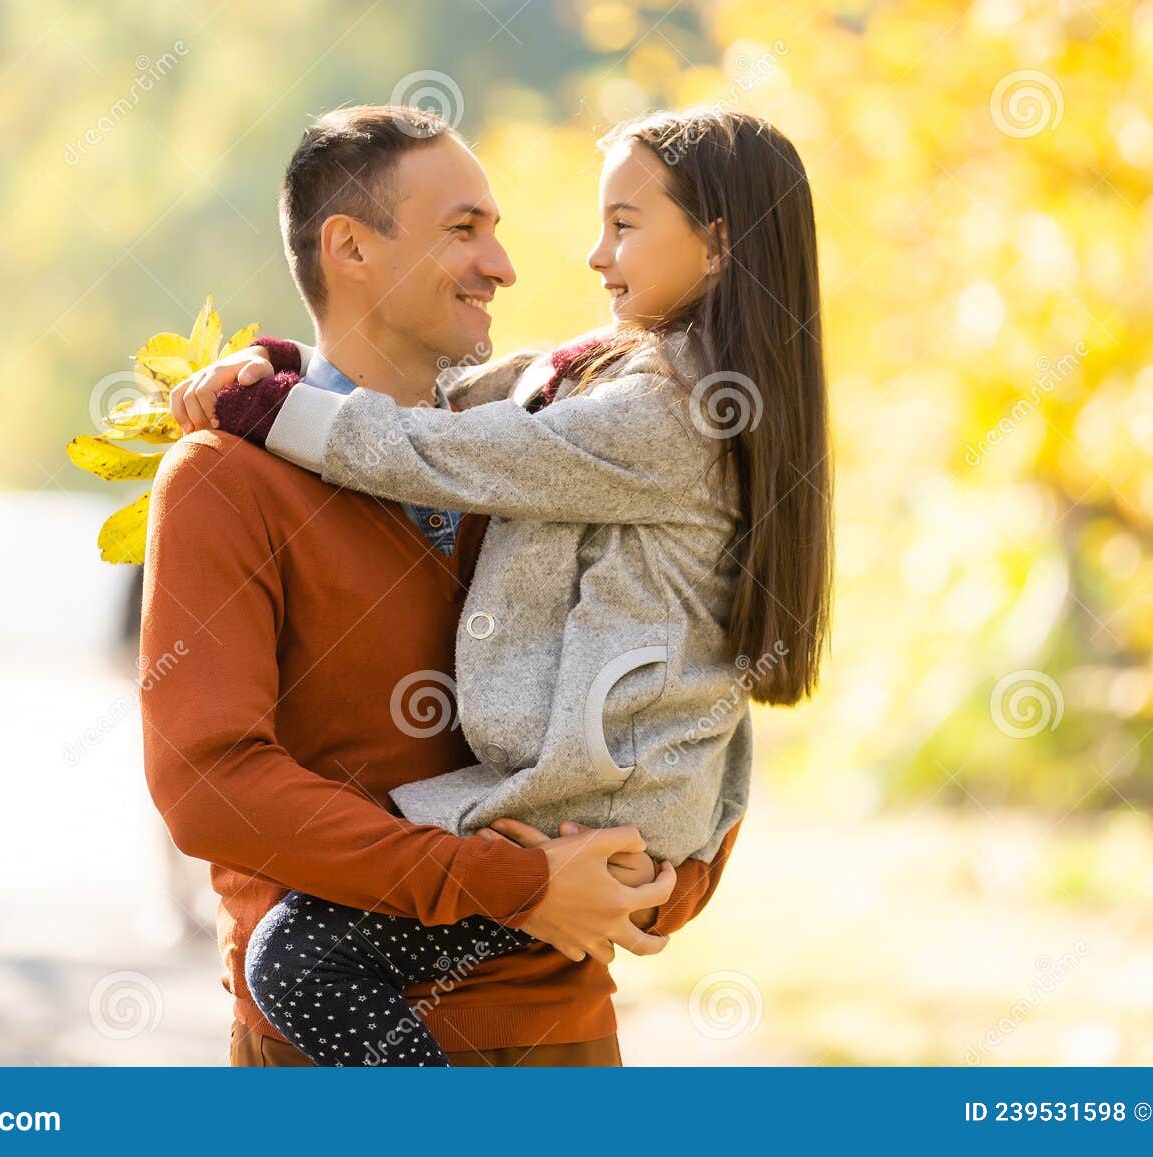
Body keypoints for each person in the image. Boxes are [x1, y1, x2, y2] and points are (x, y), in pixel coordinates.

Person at [169, 105, 832, 1066]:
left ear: (719, 245)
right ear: (350, 248)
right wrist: (277, 378)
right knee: (294, 963)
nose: (524, 264)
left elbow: (698, 688)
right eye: (463, 229)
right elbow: (213, 787)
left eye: (624, 226)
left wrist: (657, 881)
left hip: (562, 1037)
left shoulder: (615, 430)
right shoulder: (230, 482)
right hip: (337, 1053)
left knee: (301, 962)